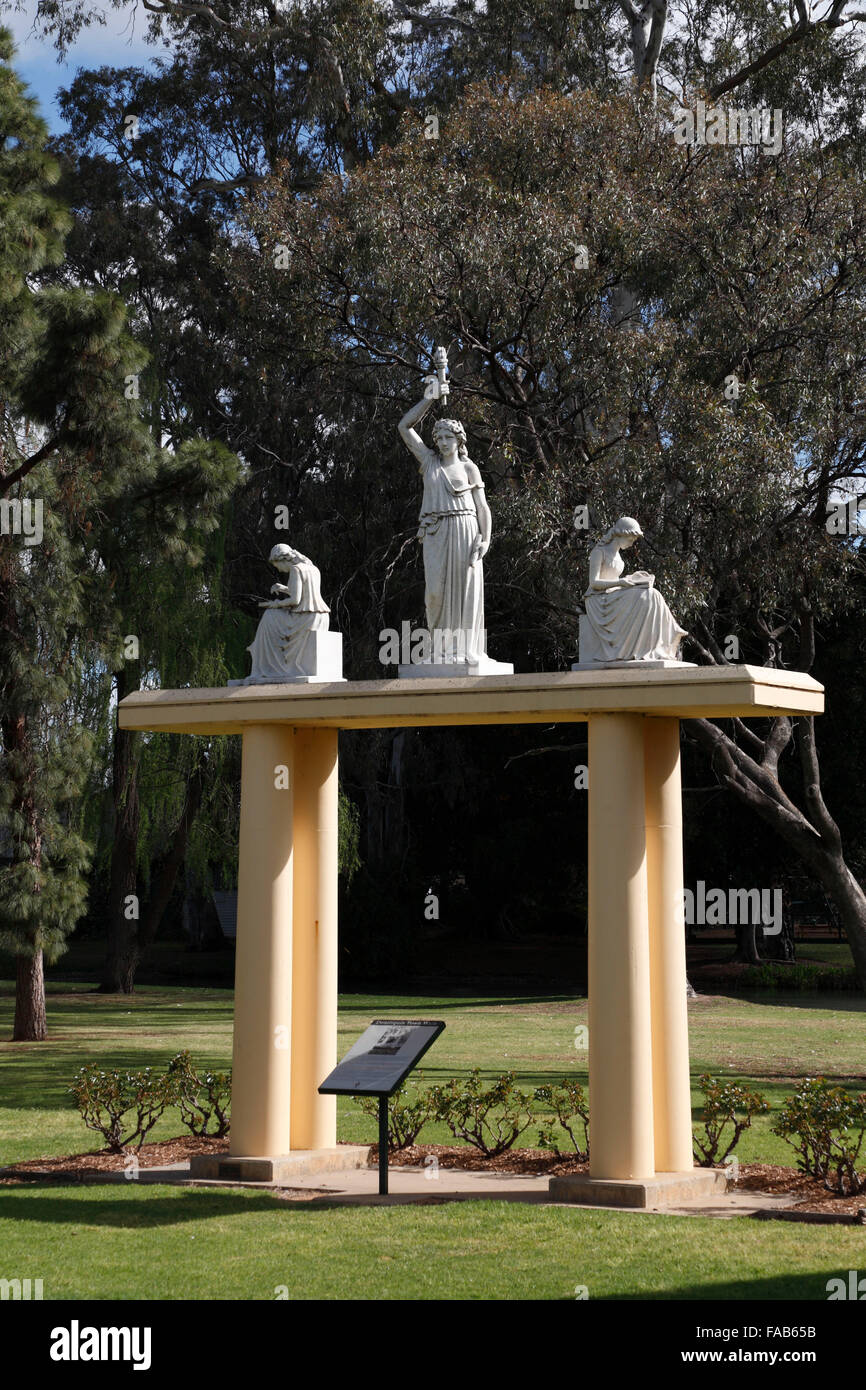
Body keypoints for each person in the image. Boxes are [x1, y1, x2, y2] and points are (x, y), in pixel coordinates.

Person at [397, 362, 491, 664]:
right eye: (438, 439)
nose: (442, 442)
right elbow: (404, 427)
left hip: (465, 529)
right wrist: (431, 397)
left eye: (447, 437)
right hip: (436, 532)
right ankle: (439, 652)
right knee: (435, 593)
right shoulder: (429, 462)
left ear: (458, 439)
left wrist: (486, 539)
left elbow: (482, 507)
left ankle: (464, 651)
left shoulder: (469, 468)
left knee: (465, 591)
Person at [583, 516, 687, 662]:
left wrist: (632, 580)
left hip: (614, 594)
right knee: (649, 595)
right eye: (630, 539)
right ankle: (646, 646)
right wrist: (620, 582)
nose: (632, 543)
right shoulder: (599, 552)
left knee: (653, 594)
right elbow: (594, 583)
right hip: (599, 599)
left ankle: (659, 643)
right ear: (621, 534)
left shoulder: (618, 556)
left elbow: (617, 581)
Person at [246, 543, 330, 680]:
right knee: (272, 615)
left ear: (282, 559)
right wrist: (284, 589)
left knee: (269, 616)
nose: (278, 569)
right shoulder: (312, 568)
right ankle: (264, 662)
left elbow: (295, 600)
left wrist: (276, 604)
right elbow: (306, 592)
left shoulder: (296, 569)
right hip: (321, 616)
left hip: (305, 617)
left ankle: (268, 666)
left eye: (277, 565)